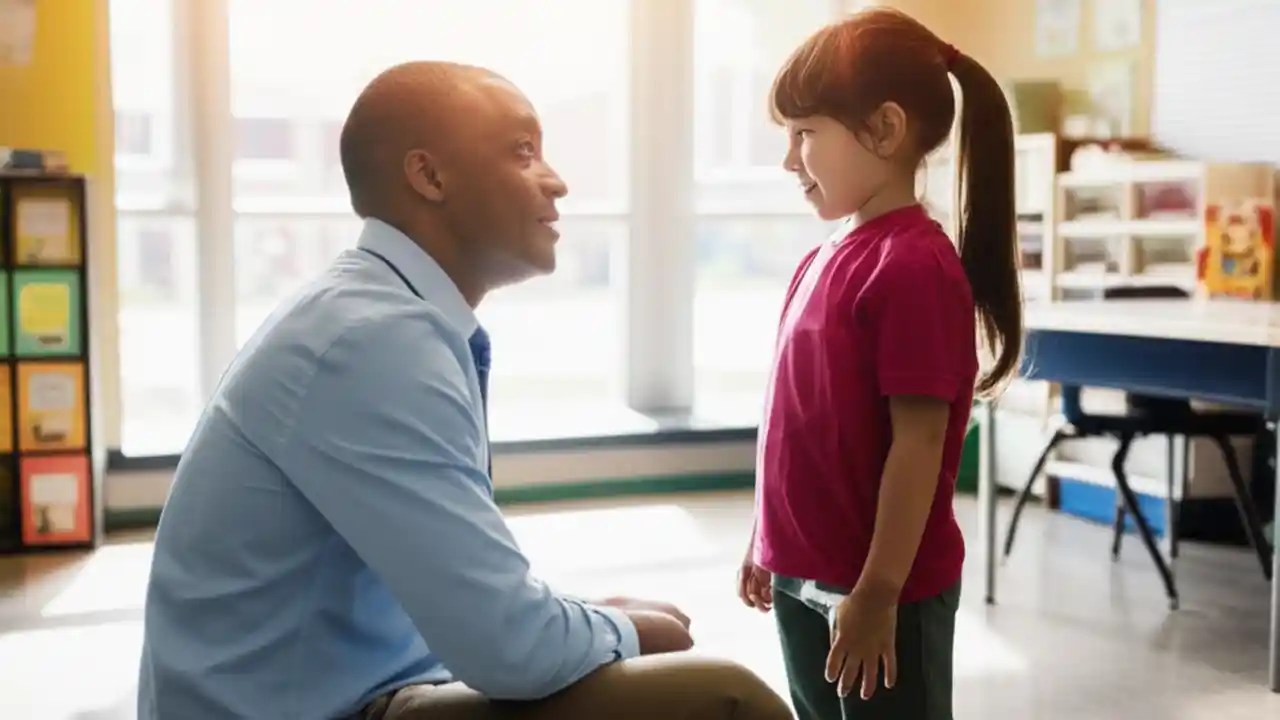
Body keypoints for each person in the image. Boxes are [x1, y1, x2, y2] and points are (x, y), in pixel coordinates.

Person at [137, 61, 792, 720]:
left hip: (358, 682)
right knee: (721, 696)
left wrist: (591, 623)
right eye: (524, 151)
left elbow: (477, 603)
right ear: (429, 176)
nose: (557, 181)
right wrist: (628, 632)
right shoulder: (374, 342)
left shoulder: (376, 314)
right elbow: (512, 651)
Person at [737, 7, 1023, 720]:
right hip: (803, 573)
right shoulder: (822, 257)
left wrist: (879, 591)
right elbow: (791, 426)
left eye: (804, 134)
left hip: (879, 589)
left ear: (886, 130)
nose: (787, 160)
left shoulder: (915, 267)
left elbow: (919, 446)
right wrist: (764, 536)